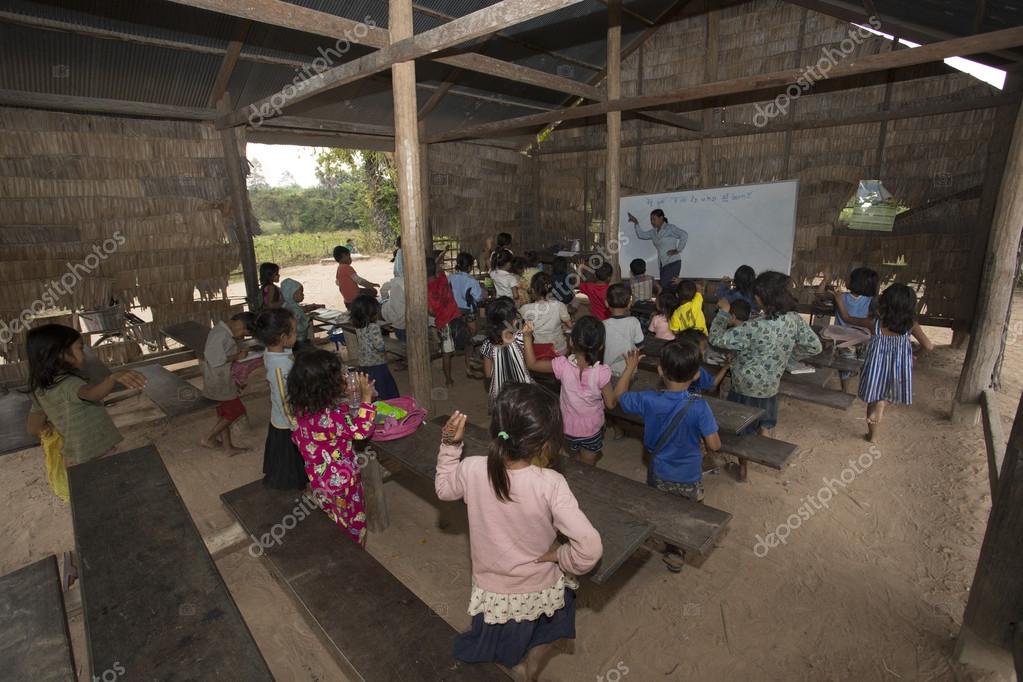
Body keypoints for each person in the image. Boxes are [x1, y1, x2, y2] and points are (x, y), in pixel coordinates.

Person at [435, 387, 602, 680]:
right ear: (544, 442)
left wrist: (450, 444)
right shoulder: (551, 483)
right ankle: (529, 670)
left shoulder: (473, 469)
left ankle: (516, 668)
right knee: (550, 631)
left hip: (493, 592)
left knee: (503, 647)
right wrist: (559, 555)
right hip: (539, 587)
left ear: (495, 428)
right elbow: (589, 549)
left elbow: (444, 488)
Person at [618, 339, 720, 572]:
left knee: (662, 508)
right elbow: (714, 446)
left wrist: (629, 369)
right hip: (689, 474)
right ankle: (683, 545)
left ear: (660, 370)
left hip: (659, 471)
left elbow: (620, 398)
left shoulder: (648, 399)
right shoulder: (700, 406)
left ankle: (671, 550)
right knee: (689, 508)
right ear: (696, 376)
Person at [709, 271, 823, 437]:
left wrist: (724, 312)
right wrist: (787, 357)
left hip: (744, 387)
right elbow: (815, 347)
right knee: (766, 424)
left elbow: (716, 338)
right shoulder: (794, 319)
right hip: (770, 385)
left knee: (742, 426)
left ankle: (743, 463)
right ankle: (764, 453)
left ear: (764, 297)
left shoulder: (754, 327)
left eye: (756, 295)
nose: (755, 298)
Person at [25, 325, 147, 472]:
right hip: (98, 453)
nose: (84, 353)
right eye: (80, 348)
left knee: (86, 489)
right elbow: (91, 394)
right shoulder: (69, 383)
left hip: (73, 457)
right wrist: (113, 378)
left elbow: (33, 428)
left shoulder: (41, 389)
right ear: (62, 354)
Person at [288, 351, 376, 545]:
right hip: (343, 483)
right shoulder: (332, 416)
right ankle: (354, 554)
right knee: (354, 523)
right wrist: (366, 398)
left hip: (319, 481)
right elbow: (362, 431)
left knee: (334, 519)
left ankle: (337, 546)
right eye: (339, 376)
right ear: (327, 386)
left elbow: (298, 439)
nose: (344, 378)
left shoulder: (301, 411)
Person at [524, 316, 637, 465]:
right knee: (587, 465)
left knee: (572, 458)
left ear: (571, 342)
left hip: (565, 427)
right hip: (591, 431)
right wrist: (628, 370)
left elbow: (532, 364)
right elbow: (611, 403)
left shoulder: (562, 364)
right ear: (601, 346)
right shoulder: (601, 373)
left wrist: (527, 337)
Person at [858, 283, 933, 443]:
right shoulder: (911, 325)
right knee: (890, 394)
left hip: (875, 367)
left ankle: (873, 436)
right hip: (899, 367)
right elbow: (928, 345)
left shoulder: (875, 324)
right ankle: (883, 403)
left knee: (872, 398)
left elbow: (848, 318)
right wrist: (915, 355)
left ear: (885, 301)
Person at [252, 308, 307, 490]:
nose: (297, 335)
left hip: (280, 419)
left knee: (283, 460)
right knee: (290, 463)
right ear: (284, 337)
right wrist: (296, 426)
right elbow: (285, 399)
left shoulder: (272, 354)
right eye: (294, 331)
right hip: (287, 423)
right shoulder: (280, 366)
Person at [201, 312, 256, 453]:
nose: (243, 334)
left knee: (223, 413)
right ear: (237, 322)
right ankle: (208, 438)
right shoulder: (220, 335)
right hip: (218, 380)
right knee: (236, 410)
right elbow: (216, 360)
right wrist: (239, 355)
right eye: (244, 330)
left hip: (220, 378)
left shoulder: (222, 333)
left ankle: (228, 447)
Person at [821, 267, 879, 390]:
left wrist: (825, 281)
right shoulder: (872, 301)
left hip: (844, 339)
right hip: (864, 338)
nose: (846, 280)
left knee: (845, 364)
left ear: (856, 282)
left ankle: (845, 390)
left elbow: (820, 294)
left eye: (849, 278)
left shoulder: (840, 297)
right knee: (864, 364)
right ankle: (865, 388)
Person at [480, 297, 533, 410]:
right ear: (514, 321)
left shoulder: (487, 345)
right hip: (523, 391)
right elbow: (531, 363)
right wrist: (528, 337)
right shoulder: (521, 338)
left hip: (501, 394)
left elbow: (488, 374)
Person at [349, 295, 400, 400]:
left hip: (364, 363)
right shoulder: (374, 327)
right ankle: (389, 404)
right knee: (384, 388)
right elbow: (379, 346)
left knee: (369, 386)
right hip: (377, 363)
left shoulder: (358, 325)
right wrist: (383, 347)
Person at [448, 252, 487, 378]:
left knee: (460, 335)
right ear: (470, 267)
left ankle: (467, 358)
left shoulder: (451, 277)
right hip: (468, 312)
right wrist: (483, 294)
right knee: (470, 339)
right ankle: (469, 367)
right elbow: (478, 298)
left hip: (454, 312)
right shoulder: (472, 281)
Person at [628, 209, 688, 290]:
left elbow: (684, 235)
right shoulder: (653, 232)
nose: (652, 221)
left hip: (673, 262)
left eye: (654, 219)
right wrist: (636, 222)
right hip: (662, 264)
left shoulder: (670, 228)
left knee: (666, 287)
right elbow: (641, 235)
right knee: (668, 287)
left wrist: (678, 250)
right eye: (651, 219)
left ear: (661, 218)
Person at [427, 257, 463, 387]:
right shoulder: (442, 278)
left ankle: (448, 380)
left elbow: (431, 311)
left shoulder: (426, 289)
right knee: (463, 340)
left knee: (446, 353)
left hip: (443, 322)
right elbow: (438, 266)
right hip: (455, 315)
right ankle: (468, 364)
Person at [520, 272, 571, 359]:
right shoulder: (559, 305)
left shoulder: (525, 309)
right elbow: (570, 325)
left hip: (538, 350)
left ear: (532, 290)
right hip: (558, 350)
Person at [602, 283, 644, 377]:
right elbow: (640, 345)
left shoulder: (602, 324)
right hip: (628, 368)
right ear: (629, 304)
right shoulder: (634, 322)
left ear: (606, 303)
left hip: (608, 370)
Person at [676, 329, 728, 395]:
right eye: (704, 349)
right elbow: (712, 384)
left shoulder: (671, 364)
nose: (705, 352)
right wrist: (725, 367)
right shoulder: (698, 370)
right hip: (691, 402)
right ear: (695, 351)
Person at [281, 278, 313, 352]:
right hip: (299, 339)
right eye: (301, 293)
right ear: (292, 294)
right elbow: (299, 327)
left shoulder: (287, 305)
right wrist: (307, 320)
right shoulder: (293, 309)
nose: (303, 295)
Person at [380, 275, 406, 343]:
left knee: (402, 342)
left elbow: (384, 289)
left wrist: (385, 298)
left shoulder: (397, 280)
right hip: (405, 320)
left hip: (395, 319)